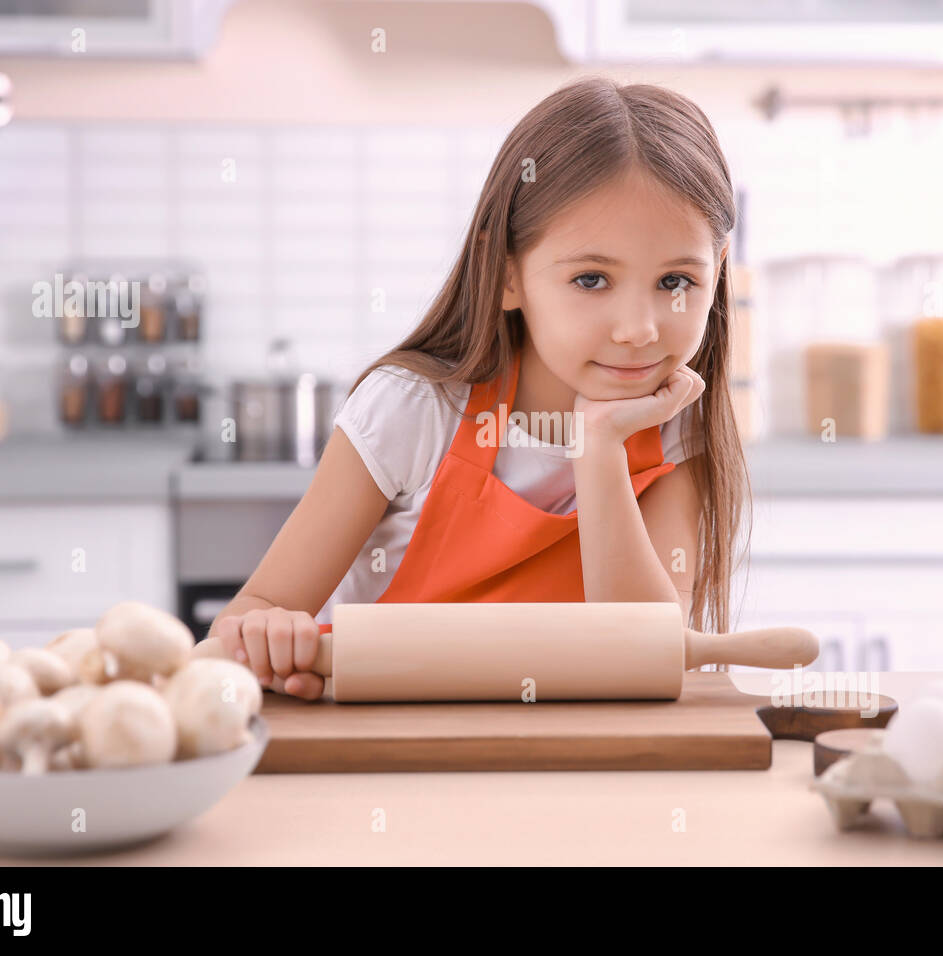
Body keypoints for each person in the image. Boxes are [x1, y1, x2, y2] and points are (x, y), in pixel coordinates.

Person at [212, 76, 750, 699]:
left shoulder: (675, 426)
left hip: (572, 769)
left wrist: (599, 449)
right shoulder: (415, 412)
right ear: (507, 274)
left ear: (718, 272)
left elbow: (646, 652)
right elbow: (252, 614)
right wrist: (268, 634)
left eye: (676, 281)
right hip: (389, 759)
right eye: (592, 280)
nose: (638, 329)